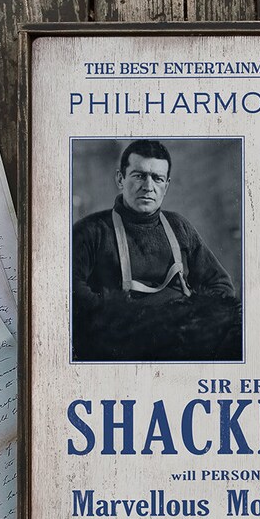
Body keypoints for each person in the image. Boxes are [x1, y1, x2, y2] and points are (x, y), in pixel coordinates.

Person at [71, 140, 240, 361]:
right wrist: (124, 321)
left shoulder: (180, 227)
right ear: (120, 179)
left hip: (184, 340)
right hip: (124, 344)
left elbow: (221, 285)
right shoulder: (91, 230)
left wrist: (193, 319)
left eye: (157, 178)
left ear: (166, 185)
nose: (148, 186)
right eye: (139, 175)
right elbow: (71, 289)